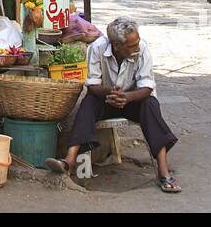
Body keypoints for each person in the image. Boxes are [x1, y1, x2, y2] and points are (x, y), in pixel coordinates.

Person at [45, 16, 182, 193]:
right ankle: (69, 160)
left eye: (137, 42)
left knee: (150, 105)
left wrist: (127, 97)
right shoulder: (97, 48)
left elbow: (147, 86)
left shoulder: (143, 49)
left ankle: (163, 171)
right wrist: (111, 93)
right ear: (117, 46)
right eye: (132, 45)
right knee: (88, 103)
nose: (137, 47)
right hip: (107, 99)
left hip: (135, 99)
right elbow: (93, 85)